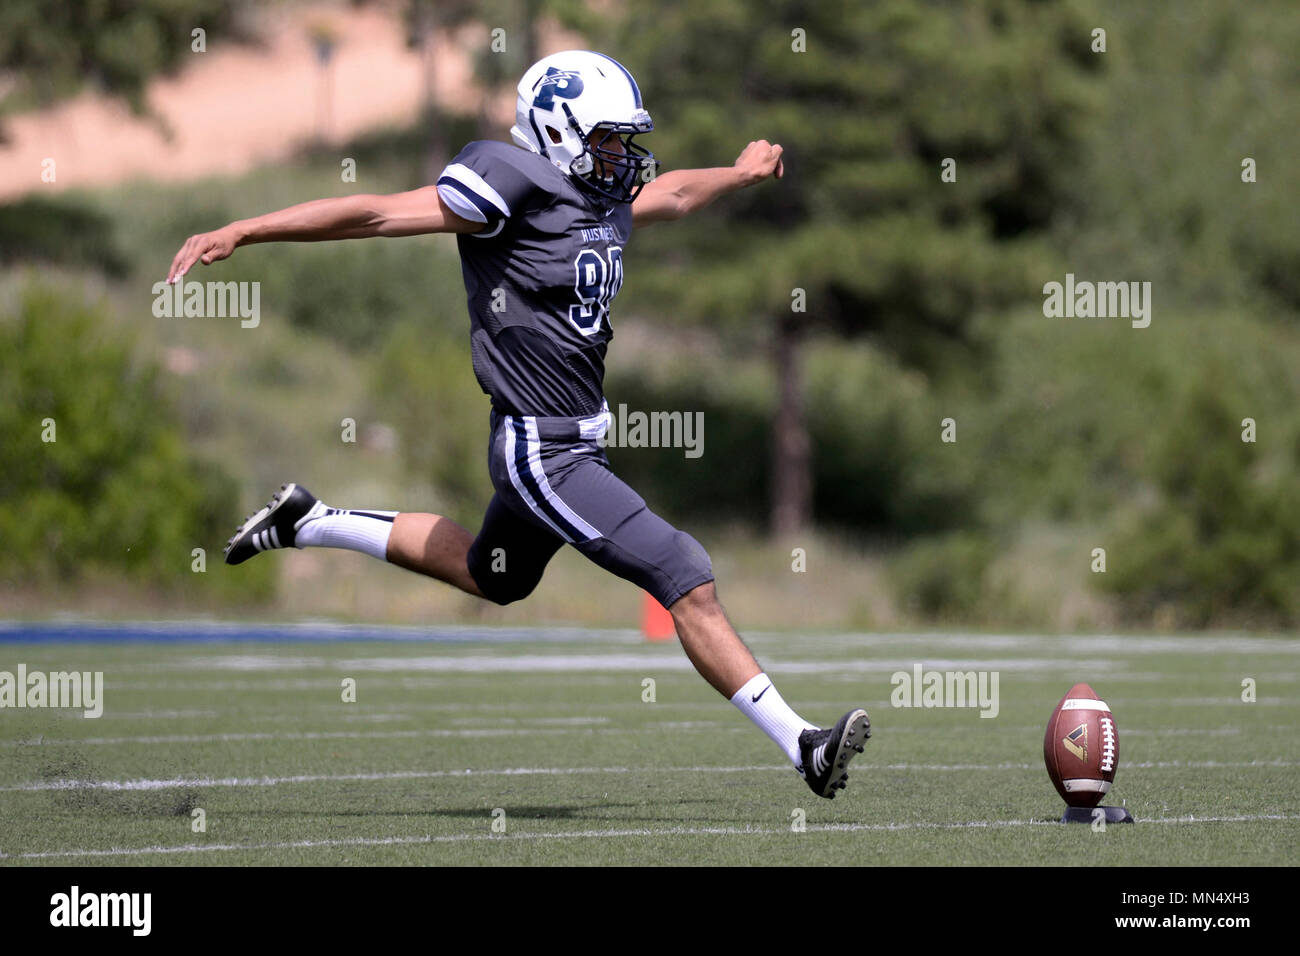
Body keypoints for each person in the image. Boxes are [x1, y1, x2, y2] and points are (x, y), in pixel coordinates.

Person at [166, 50, 869, 798]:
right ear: (557, 132)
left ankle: (314, 520)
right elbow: (375, 213)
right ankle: (804, 747)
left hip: (573, 438)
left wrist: (740, 173)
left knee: (490, 575)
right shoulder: (511, 180)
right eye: (605, 139)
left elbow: (674, 195)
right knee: (684, 575)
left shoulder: (601, 198)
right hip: (544, 450)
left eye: (622, 140)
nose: (619, 156)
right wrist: (248, 228)